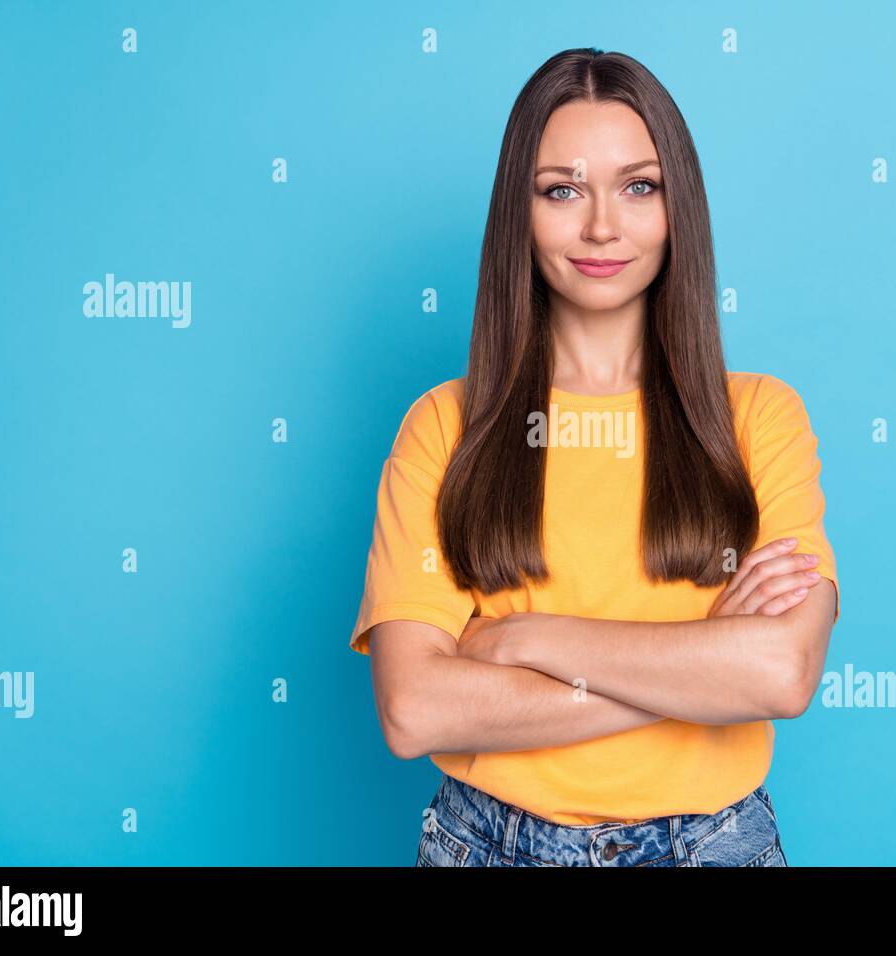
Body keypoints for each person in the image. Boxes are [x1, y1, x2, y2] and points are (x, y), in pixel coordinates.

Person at [349, 47, 840, 867]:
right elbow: (413, 709)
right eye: (562, 189)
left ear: (677, 205)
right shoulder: (444, 425)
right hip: (489, 844)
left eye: (638, 186)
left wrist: (524, 638)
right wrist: (699, 663)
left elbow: (781, 673)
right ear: (521, 211)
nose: (602, 226)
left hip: (712, 846)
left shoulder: (760, 417)